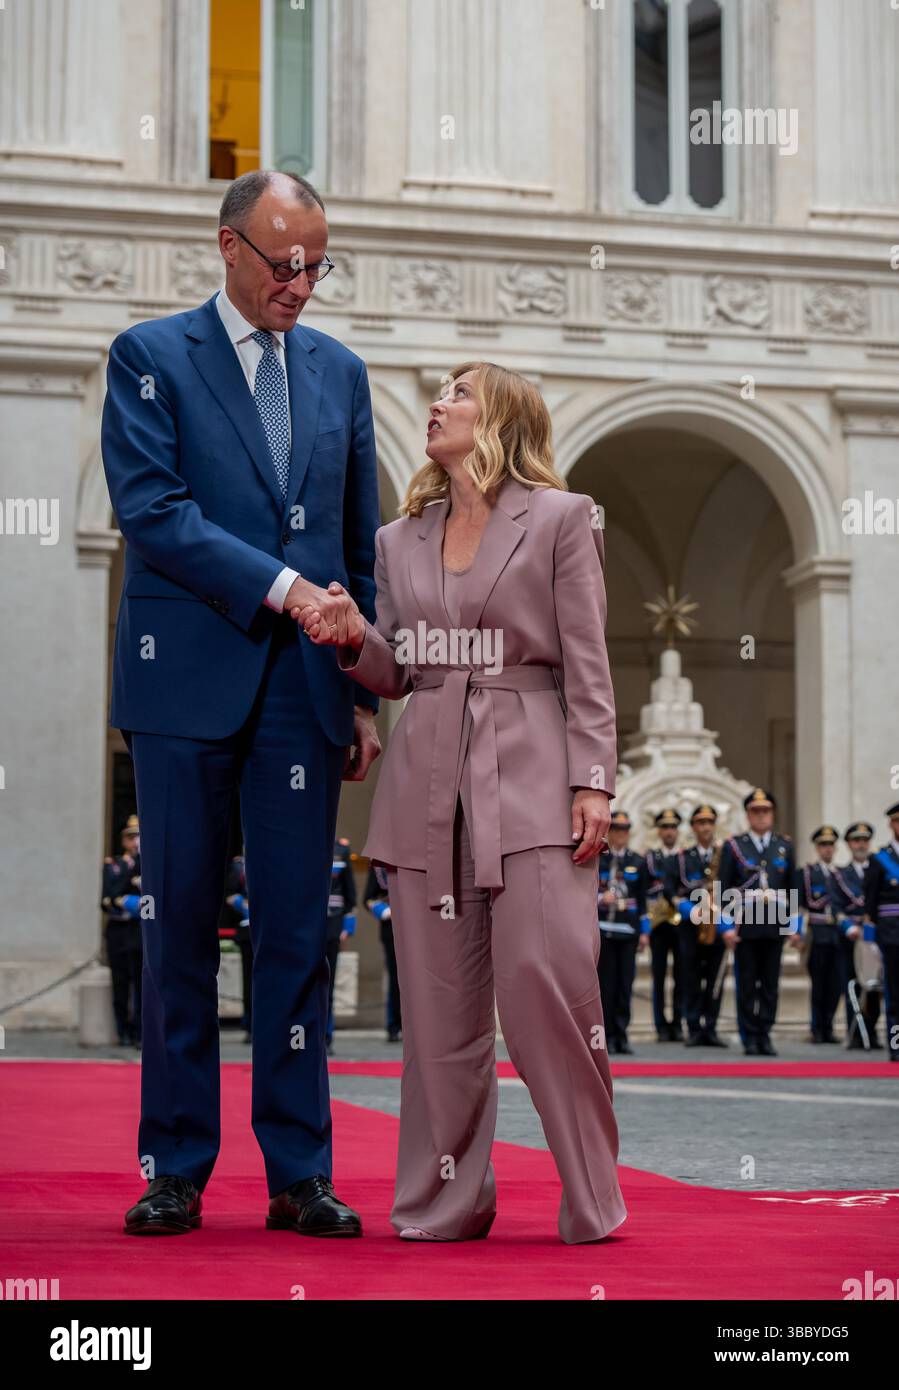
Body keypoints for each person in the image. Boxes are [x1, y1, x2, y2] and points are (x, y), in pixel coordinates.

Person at [102, 169, 381, 1238]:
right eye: (283, 262)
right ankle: (175, 1162)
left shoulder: (340, 374)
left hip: (303, 700)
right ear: (226, 247)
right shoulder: (149, 358)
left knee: (295, 940)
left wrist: (361, 695)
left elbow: (355, 548)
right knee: (178, 930)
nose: (301, 283)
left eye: (317, 262)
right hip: (183, 688)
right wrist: (283, 589)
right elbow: (153, 512)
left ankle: (297, 1170)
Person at [297, 361, 626, 1244]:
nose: (438, 404)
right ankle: (446, 1201)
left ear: (501, 419)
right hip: (427, 773)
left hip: (531, 765)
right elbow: (400, 667)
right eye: (437, 393)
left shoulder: (561, 517)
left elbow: (587, 660)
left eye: (457, 392)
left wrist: (593, 778)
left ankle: (592, 1195)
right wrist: (351, 636)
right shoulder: (396, 539)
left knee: (542, 980)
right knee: (439, 1009)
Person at [718, 788, 800, 1056]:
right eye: (756, 811)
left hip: (774, 924)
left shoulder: (784, 846)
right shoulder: (735, 846)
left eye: (765, 811)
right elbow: (724, 890)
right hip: (746, 924)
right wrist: (727, 927)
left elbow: (791, 890)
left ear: (773, 814)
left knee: (770, 984)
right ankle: (749, 1036)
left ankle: (765, 1033)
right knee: (746, 984)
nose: (761, 816)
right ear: (748, 815)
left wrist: (794, 928)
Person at [668, 804, 728, 1047]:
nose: (705, 827)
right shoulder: (681, 857)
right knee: (690, 976)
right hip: (690, 925)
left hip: (716, 922)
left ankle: (711, 1027)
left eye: (709, 822)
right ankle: (693, 1027)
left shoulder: (724, 855)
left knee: (715, 978)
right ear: (693, 827)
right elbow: (669, 889)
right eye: (700, 823)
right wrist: (687, 909)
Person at [597, 810, 650, 1055]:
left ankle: (621, 1033)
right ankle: (605, 1034)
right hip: (604, 930)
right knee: (605, 985)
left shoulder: (638, 861)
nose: (621, 833)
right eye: (616, 828)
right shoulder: (599, 858)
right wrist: (600, 898)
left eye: (625, 829)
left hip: (628, 932)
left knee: (625, 985)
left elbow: (643, 901)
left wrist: (644, 933)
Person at [830, 821, 880, 1047]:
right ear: (849, 844)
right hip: (850, 937)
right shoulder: (840, 874)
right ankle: (855, 1032)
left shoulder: (877, 869)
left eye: (864, 840)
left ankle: (871, 1031)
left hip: (875, 935)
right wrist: (849, 927)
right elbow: (836, 907)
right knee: (851, 985)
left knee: (874, 985)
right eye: (856, 840)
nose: (861, 844)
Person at [795, 826, 842, 1043]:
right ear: (817, 847)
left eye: (831, 845)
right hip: (818, 932)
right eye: (823, 845)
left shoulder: (841, 873)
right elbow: (806, 903)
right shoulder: (808, 873)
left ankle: (829, 1026)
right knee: (819, 983)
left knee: (835, 984)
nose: (827, 849)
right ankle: (817, 1028)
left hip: (837, 934)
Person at [100, 814, 143, 1047]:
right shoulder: (114, 865)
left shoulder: (145, 863)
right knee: (120, 982)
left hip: (138, 929)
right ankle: (121, 1030)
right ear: (124, 841)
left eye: (138, 837)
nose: (135, 841)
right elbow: (108, 897)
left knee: (140, 983)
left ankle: (139, 1032)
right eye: (131, 837)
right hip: (118, 930)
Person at [864, 802, 899, 1063]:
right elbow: (870, 904)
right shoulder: (880, 859)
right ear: (891, 824)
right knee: (895, 994)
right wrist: (871, 939)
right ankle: (896, 1045)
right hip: (891, 934)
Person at [645, 807, 684, 1041]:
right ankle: (660, 1025)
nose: (669, 832)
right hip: (659, 921)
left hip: (679, 922)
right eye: (665, 827)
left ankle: (677, 1023)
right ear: (658, 831)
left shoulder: (683, 857)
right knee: (658, 975)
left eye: (672, 827)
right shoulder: (650, 858)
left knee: (682, 975)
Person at [324, 837, 356, 1051]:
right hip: (306, 924)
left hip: (333, 923)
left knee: (328, 982)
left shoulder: (341, 850)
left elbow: (349, 892)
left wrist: (348, 925)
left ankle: (326, 1035)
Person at [364, 862, 402, 1042]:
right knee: (396, 979)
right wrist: (385, 911)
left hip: (417, 928)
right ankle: (394, 1025)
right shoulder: (379, 865)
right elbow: (368, 898)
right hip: (391, 927)